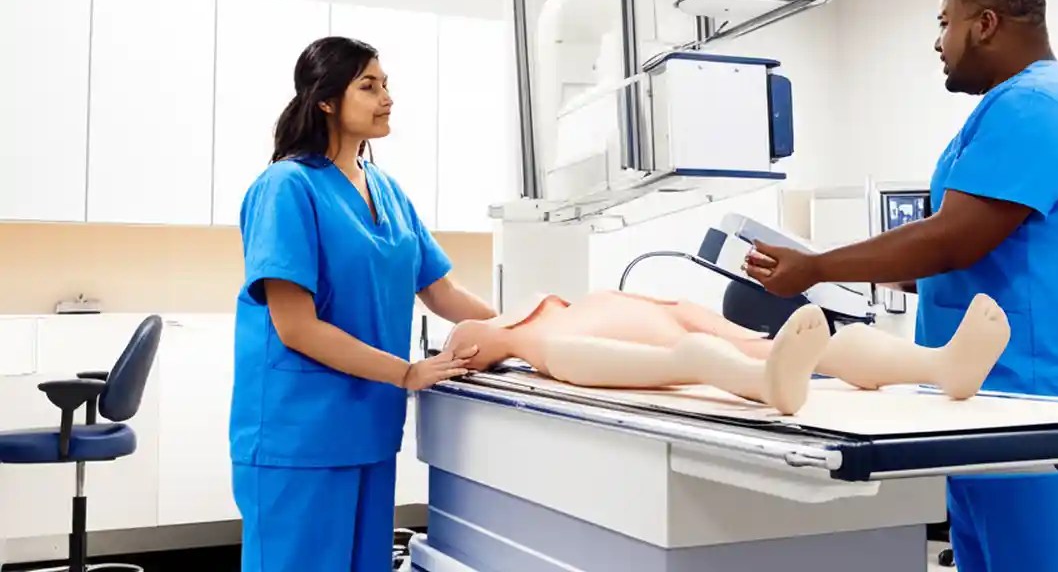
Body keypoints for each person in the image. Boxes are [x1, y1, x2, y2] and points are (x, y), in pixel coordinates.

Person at [742, 0, 1058, 572]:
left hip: (1035, 392)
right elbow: (958, 257)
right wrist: (837, 276)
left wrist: (816, 267)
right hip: (983, 393)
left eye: (946, 23)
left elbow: (953, 240)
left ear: (986, 24)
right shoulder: (1004, 109)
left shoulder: (1038, 107)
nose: (938, 42)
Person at [228, 36, 498, 572]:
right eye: (369, 86)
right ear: (327, 100)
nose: (387, 98)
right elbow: (296, 327)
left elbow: (440, 290)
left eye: (386, 85)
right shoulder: (287, 186)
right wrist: (406, 373)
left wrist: (519, 329)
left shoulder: (387, 190)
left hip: (368, 428)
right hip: (299, 433)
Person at [440, 289, 1011, 412]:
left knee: (798, 344)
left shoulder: (546, 305)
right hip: (576, 353)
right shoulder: (533, 338)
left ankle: (943, 365)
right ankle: (767, 385)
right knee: (691, 356)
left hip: (657, 315)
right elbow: (462, 341)